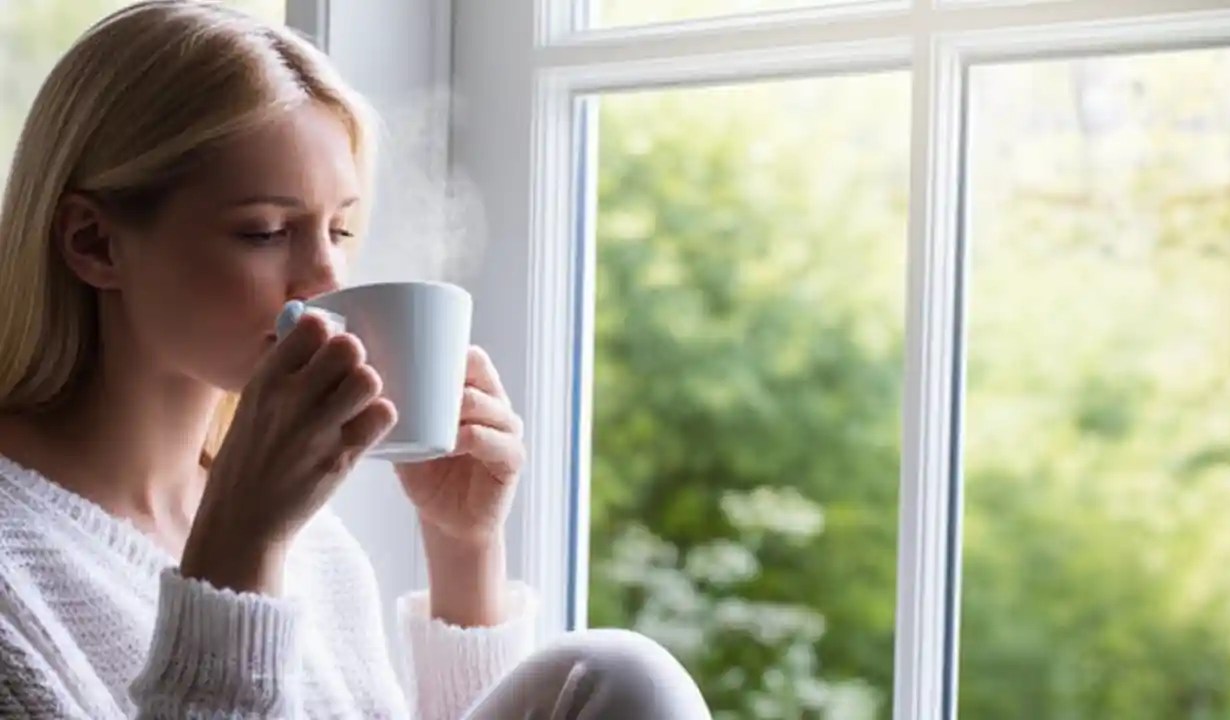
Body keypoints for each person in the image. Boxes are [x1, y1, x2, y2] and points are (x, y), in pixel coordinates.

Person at [0, 2, 712, 717]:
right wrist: (237, 557)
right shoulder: (22, 562)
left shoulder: (314, 545)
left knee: (618, 672)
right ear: (93, 243)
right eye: (265, 232)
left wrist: (463, 548)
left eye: (339, 230)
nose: (327, 279)